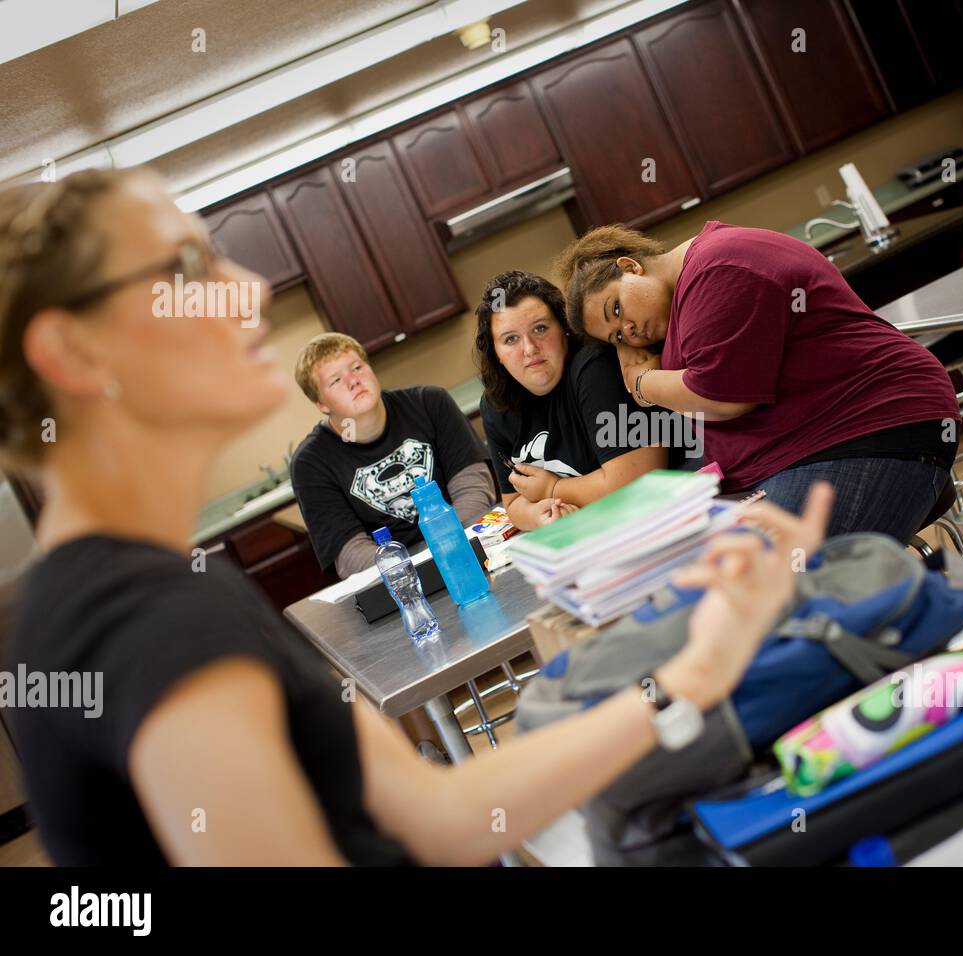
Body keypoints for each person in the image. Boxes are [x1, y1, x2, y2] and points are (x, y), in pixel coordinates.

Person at [0, 167, 833, 865]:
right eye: (186, 265)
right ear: (74, 353)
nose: (247, 287)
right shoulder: (138, 620)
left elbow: (443, 814)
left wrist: (696, 672)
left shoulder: (153, 591)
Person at [556, 221, 960, 542]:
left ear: (630, 266)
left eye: (617, 309)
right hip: (808, 452)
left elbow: (720, 397)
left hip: (872, 429)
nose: (630, 330)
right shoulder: (685, 293)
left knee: (779, 593)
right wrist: (630, 347)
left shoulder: (716, 270)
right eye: (618, 337)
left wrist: (642, 383)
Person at [474, 270, 673, 531]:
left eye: (540, 328)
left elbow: (639, 481)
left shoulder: (594, 367)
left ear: (564, 328)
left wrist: (552, 488)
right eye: (510, 339)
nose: (530, 348)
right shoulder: (495, 405)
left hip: (663, 516)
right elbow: (513, 503)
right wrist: (539, 515)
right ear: (496, 353)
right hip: (593, 534)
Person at [290, 332, 496, 578]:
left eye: (357, 367)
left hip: (471, 546)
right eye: (335, 380)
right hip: (399, 578)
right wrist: (414, 569)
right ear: (321, 404)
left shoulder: (430, 403)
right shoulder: (311, 463)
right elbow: (350, 554)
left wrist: (449, 548)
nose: (353, 381)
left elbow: (473, 488)